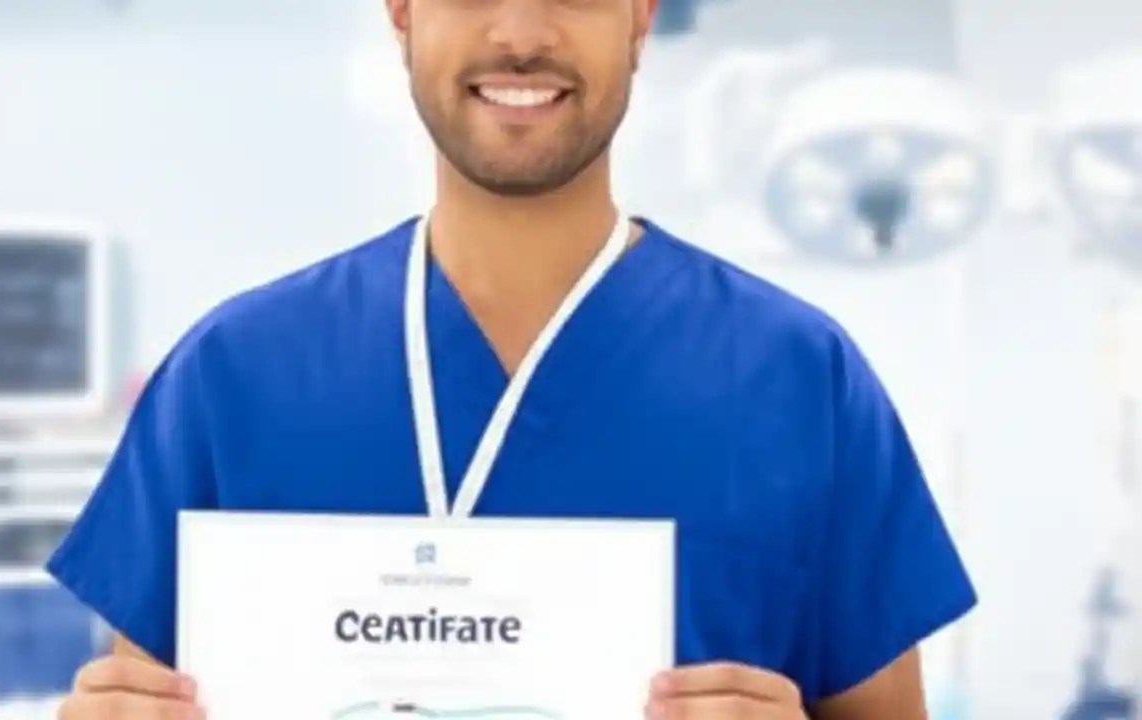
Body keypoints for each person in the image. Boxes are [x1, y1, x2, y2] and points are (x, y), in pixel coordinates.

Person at [49, 0, 977, 718]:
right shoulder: (230, 378)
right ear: (402, 10)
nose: (523, 33)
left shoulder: (800, 381)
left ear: (641, 16)